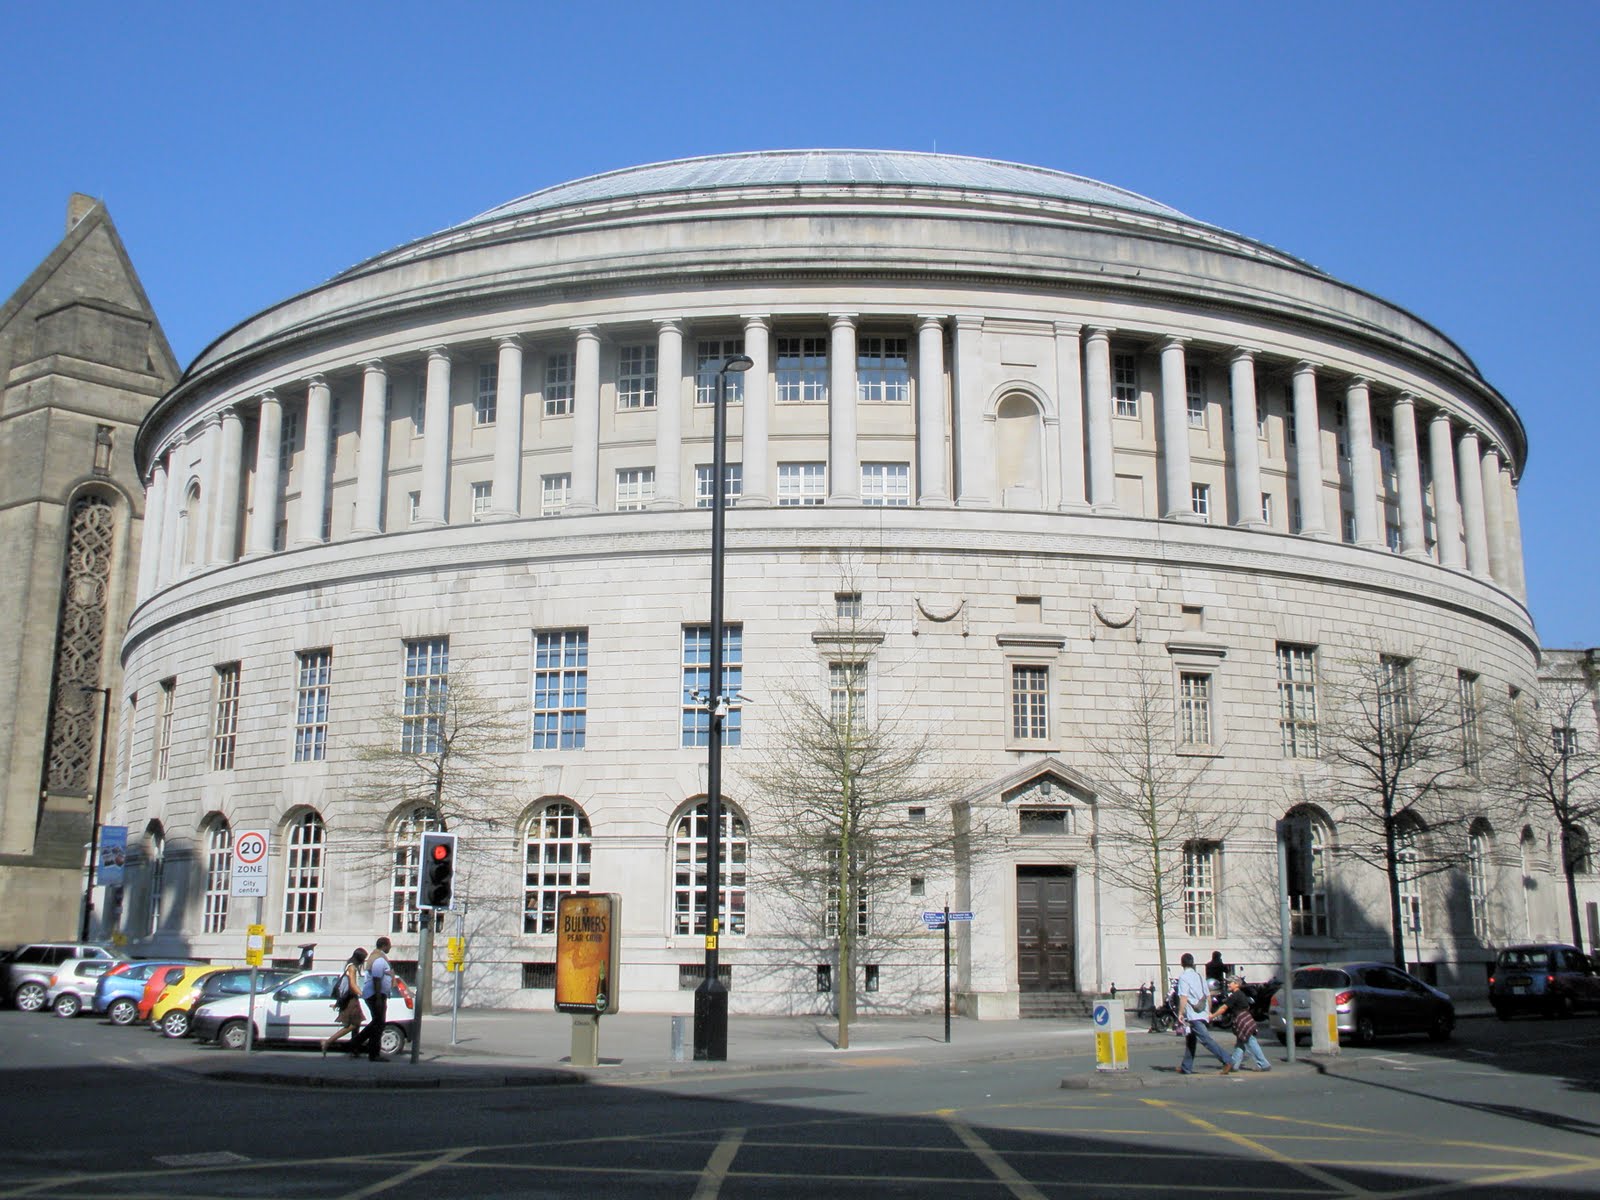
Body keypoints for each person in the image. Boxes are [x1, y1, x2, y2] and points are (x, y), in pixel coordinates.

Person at [1176, 951, 1230, 1074]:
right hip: (1203, 1012)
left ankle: (1227, 1060)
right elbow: (1208, 996)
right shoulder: (1200, 976)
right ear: (1193, 963)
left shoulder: (1184, 978)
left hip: (1193, 1014)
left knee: (1206, 1040)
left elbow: (1183, 997)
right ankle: (1186, 1066)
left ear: (1182, 964)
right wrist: (1209, 1012)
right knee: (1191, 1040)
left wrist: (1180, 1013)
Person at [1212, 974, 1272, 1074]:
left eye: (1230, 983)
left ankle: (1264, 1064)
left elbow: (1223, 1008)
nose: (1228, 985)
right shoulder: (1240, 994)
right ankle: (1234, 1064)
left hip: (1242, 1021)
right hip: (1245, 1019)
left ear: (1236, 984)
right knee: (1240, 1044)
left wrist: (1212, 1016)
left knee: (1251, 1042)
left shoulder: (1235, 995)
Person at [350, 936, 393, 1061]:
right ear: (384, 945)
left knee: (377, 1023)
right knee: (378, 1024)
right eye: (389, 945)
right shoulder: (379, 959)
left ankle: (359, 1044)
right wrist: (379, 998)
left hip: (376, 995)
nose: (390, 947)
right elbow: (377, 978)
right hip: (375, 995)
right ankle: (371, 1052)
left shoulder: (378, 957)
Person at [322, 947, 366, 1057]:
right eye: (364, 958)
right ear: (360, 958)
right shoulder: (352, 967)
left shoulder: (351, 965)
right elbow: (352, 984)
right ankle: (328, 1042)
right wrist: (362, 994)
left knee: (357, 1023)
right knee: (354, 1024)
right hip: (351, 999)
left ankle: (354, 1049)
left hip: (351, 998)